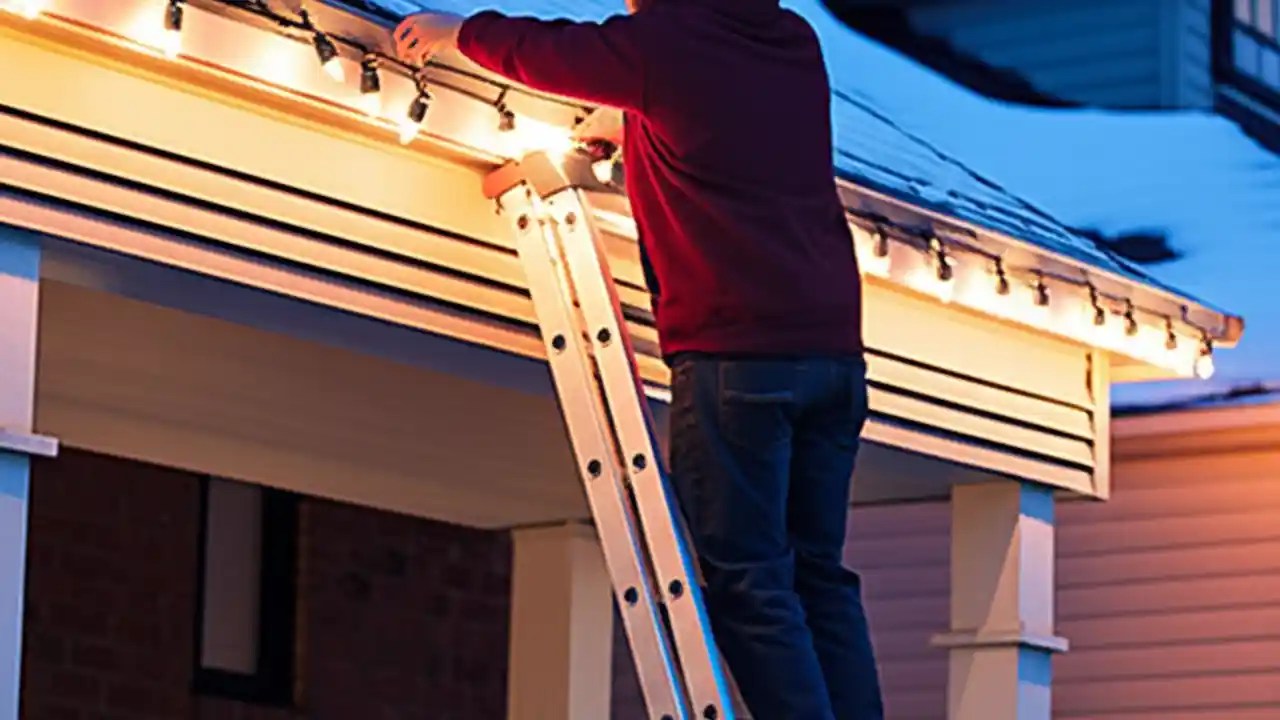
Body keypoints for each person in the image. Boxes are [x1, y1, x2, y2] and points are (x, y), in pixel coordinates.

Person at [395, 2, 883, 718]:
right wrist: (634, 119)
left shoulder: (667, 41)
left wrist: (455, 32)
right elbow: (732, 120)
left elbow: (553, 52)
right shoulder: (788, 41)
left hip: (737, 356)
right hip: (833, 355)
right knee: (818, 576)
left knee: (750, 580)